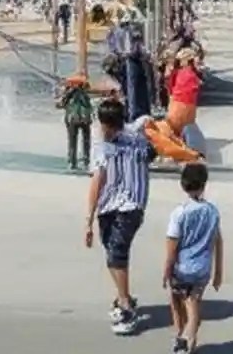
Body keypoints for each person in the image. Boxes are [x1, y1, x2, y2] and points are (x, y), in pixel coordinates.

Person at [84, 98, 153, 336]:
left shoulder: (136, 137)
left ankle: (125, 305)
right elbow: (98, 180)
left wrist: (87, 220)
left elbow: (96, 180)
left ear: (110, 125)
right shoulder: (101, 144)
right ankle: (123, 296)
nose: (99, 128)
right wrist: (91, 218)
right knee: (111, 253)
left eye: (102, 124)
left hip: (131, 205)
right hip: (107, 206)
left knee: (117, 253)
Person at [162, 162, 223, 354]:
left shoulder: (179, 213)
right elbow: (217, 241)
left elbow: (172, 246)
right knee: (194, 301)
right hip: (203, 267)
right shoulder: (212, 212)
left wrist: (166, 270)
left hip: (182, 268)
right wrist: (218, 271)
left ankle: (182, 335)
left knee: (177, 299)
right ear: (204, 185)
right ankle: (191, 336)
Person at [57, 74, 94, 171]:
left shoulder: (69, 93)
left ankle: (73, 162)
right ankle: (85, 161)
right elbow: (89, 105)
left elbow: (60, 104)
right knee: (85, 141)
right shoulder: (84, 93)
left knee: (73, 141)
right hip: (83, 118)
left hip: (72, 119)